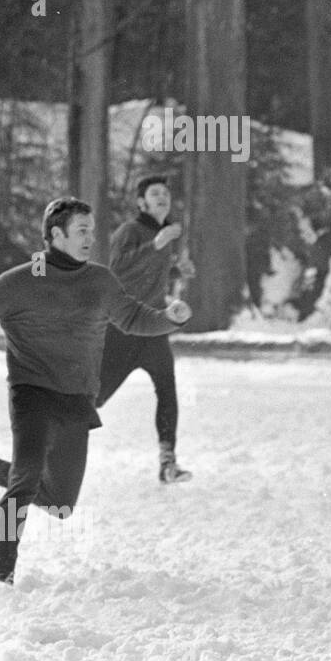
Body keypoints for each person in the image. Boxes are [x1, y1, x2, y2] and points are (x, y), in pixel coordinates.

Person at [0, 198, 191, 585]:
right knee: (25, 481)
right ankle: (0, 572)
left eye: (92, 229)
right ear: (55, 235)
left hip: (77, 398)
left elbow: (132, 317)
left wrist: (169, 318)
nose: (90, 237)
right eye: (81, 230)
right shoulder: (22, 279)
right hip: (31, 394)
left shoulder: (99, 280)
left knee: (61, 504)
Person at [95, 175, 195, 483]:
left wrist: (177, 269)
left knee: (167, 391)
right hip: (122, 329)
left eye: (165, 192)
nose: (162, 196)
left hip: (153, 328)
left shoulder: (160, 234)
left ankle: (168, 461)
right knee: (94, 398)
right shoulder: (130, 231)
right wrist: (156, 245)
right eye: (155, 193)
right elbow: (118, 271)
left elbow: (150, 272)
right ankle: (46, 445)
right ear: (142, 203)